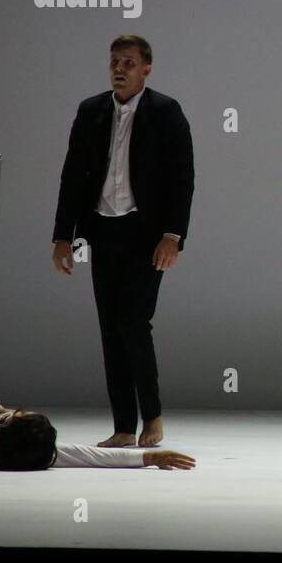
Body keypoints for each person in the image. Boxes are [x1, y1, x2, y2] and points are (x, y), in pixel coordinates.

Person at [51, 35, 195, 448]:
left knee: (133, 323)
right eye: (115, 61)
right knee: (110, 328)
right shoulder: (91, 111)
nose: (120, 69)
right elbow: (72, 176)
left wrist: (173, 236)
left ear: (146, 69)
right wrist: (64, 236)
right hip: (102, 231)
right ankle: (122, 426)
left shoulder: (166, 112)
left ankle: (153, 417)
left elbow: (182, 178)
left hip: (145, 234)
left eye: (129, 63)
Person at [0, 378, 195, 470]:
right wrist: (148, 458)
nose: (16, 411)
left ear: (8, 424)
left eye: (19, 413)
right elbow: (86, 455)